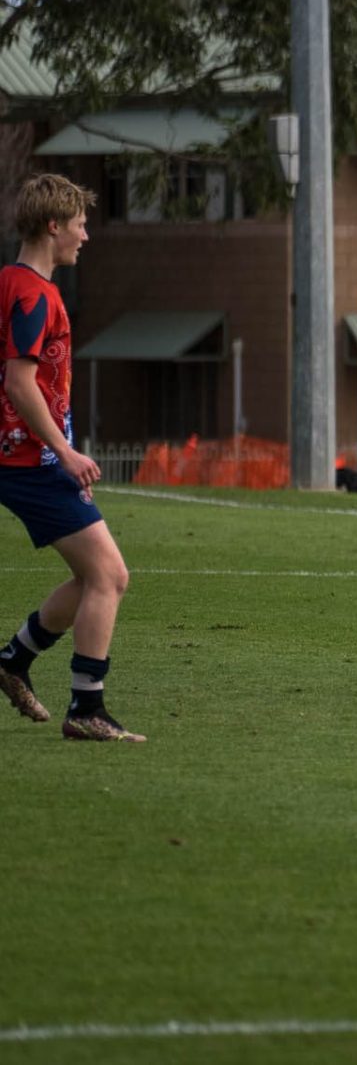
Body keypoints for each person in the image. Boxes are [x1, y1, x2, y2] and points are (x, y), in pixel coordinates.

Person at [0, 174, 140, 741]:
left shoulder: (9, 281)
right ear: (53, 226)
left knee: (91, 576)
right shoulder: (35, 294)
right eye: (80, 224)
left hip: (22, 457)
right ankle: (86, 707)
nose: (86, 235)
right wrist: (64, 451)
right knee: (110, 575)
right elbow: (18, 382)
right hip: (31, 461)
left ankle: (14, 660)